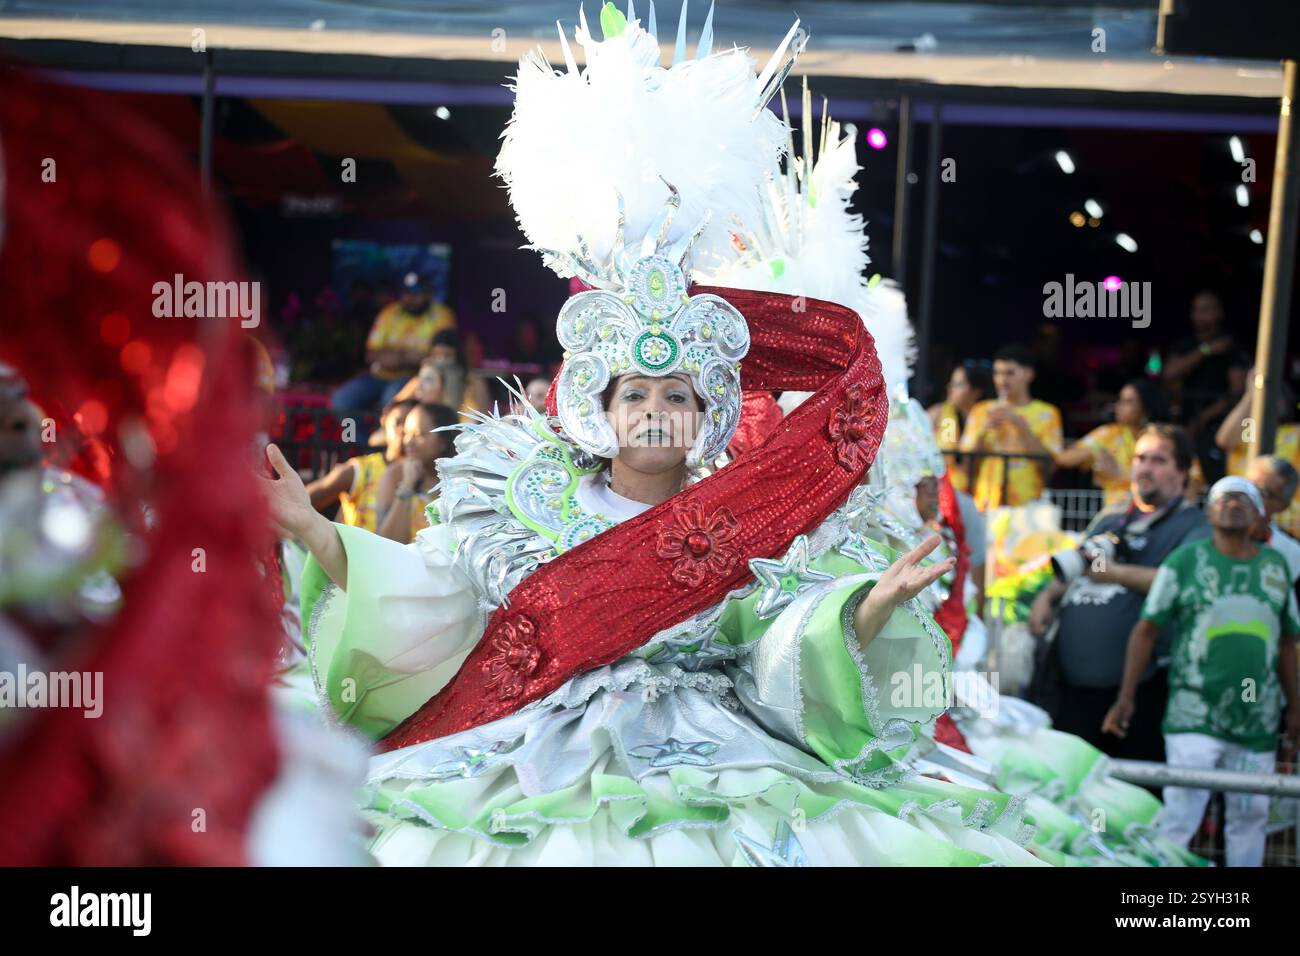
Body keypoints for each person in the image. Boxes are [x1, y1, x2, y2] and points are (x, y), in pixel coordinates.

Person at [1103, 477, 1300, 867]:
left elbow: (1286, 643)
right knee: (1181, 816)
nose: (1233, 504)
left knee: (1250, 819)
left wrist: (1295, 708)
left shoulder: (1276, 567)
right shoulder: (1185, 561)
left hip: (1257, 721)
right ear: (1208, 512)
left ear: (1261, 516)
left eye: (1245, 498)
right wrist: (1126, 698)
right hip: (1193, 715)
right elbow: (1146, 630)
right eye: (1223, 498)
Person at [1029, 425, 1210, 762]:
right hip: (1074, 691)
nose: (1145, 467)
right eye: (1140, 458)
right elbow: (1077, 564)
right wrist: (1046, 596)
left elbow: (1184, 581)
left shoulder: (1193, 525)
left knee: (1135, 792)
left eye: (1159, 460)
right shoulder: (1110, 519)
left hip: (1144, 691)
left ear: (1182, 473)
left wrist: (1115, 574)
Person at [330, 271, 457, 412]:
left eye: (416, 293)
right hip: (380, 376)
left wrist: (400, 357)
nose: (410, 298)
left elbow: (444, 358)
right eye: (406, 293)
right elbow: (371, 354)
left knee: (390, 400)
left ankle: (386, 433)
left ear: (429, 294)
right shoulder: (389, 313)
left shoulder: (442, 315)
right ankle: (357, 435)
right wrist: (405, 356)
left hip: (416, 377)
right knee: (342, 400)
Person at [958, 345, 1063, 510]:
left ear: (1029, 374)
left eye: (1010, 373)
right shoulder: (981, 410)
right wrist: (983, 433)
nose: (1002, 380)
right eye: (997, 373)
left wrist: (1019, 424)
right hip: (986, 504)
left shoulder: (1048, 413)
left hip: (1028, 506)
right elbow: (965, 463)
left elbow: (1051, 465)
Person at [1162, 290, 1251, 486]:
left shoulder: (1231, 346)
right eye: (1196, 310)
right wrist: (1206, 351)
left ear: (1219, 313)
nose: (1199, 315)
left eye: (1206, 310)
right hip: (1184, 422)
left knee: (1213, 479)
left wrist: (1204, 417)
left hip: (1218, 427)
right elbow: (1169, 375)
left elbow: (1238, 392)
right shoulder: (1185, 343)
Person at [1054, 379, 1168, 506]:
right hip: (1115, 513)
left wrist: (1119, 473)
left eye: (1128, 401)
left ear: (1146, 406)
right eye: (1120, 400)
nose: (1118, 406)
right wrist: (1094, 451)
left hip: (1156, 510)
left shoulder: (1163, 440)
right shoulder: (1109, 434)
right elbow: (1062, 459)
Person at [306, 398, 414, 532]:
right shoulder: (359, 469)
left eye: (410, 425)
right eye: (398, 422)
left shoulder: (433, 474)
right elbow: (302, 501)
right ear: (384, 421)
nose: (403, 430)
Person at [1215, 374, 1300, 536]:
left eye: (1277, 397)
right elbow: (1224, 440)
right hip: (1239, 517)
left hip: (1287, 526)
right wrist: (1252, 394)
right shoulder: (1249, 432)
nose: (1271, 402)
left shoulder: (1295, 432)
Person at [374, 402, 457, 545]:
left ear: (443, 441)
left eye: (418, 434)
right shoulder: (395, 475)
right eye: (407, 433)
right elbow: (388, 543)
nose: (408, 442)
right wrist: (407, 486)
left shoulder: (461, 479)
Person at [929, 360, 994, 496]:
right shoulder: (940, 414)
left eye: (959, 384)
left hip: (982, 494)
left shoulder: (990, 417)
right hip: (943, 492)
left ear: (976, 391)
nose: (950, 388)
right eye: (951, 383)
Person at [1246, 455, 1300, 586]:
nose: (1251, 495)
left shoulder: (1290, 554)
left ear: (1283, 506)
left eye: (1263, 492)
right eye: (1247, 485)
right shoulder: (1203, 533)